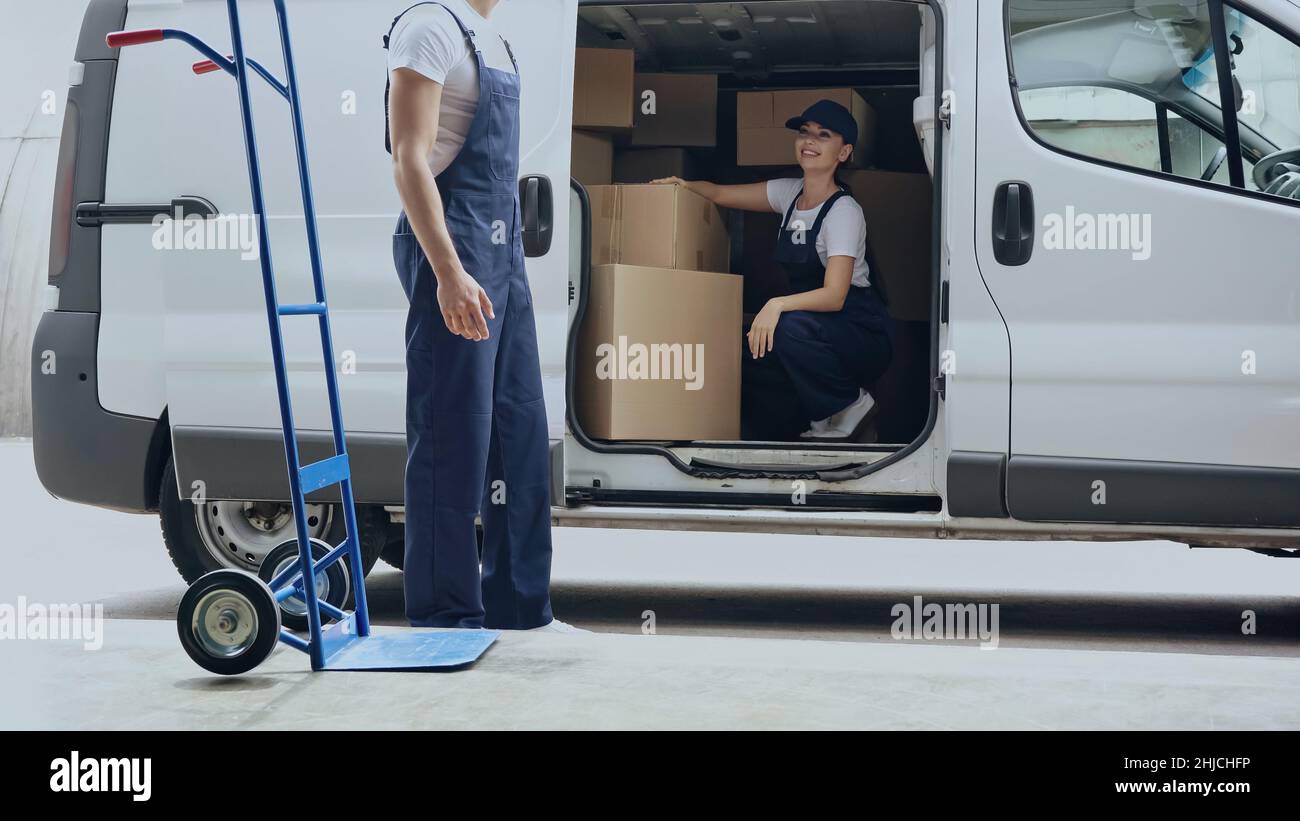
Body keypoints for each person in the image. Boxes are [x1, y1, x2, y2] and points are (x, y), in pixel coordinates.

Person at [385, 0, 581, 632]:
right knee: (452, 436)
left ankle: (521, 608)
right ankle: (445, 615)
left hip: (503, 250)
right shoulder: (427, 28)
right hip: (453, 242)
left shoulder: (493, 39)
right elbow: (408, 157)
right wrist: (447, 271)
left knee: (520, 433)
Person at [652, 99, 893, 441]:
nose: (809, 141)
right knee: (752, 349)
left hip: (859, 331)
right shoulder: (789, 193)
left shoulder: (843, 212)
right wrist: (686, 186)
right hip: (814, 326)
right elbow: (720, 193)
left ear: (844, 152)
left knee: (786, 328)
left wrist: (776, 305)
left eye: (823, 136)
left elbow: (836, 295)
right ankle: (804, 423)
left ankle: (850, 406)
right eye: (804, 133)